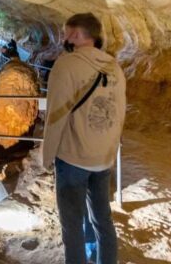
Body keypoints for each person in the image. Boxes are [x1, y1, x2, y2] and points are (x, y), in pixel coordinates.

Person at [42, 13, 126, 264]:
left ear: (76, 34)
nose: (63, 38)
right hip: (103, 157)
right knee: (102, 219)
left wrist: (46, 155)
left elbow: (55, 115)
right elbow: (119, 113)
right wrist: (111, 149)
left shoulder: (66, 65)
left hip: (73, 157)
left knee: (72, 224)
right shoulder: (114, 66)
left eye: (65, 33)